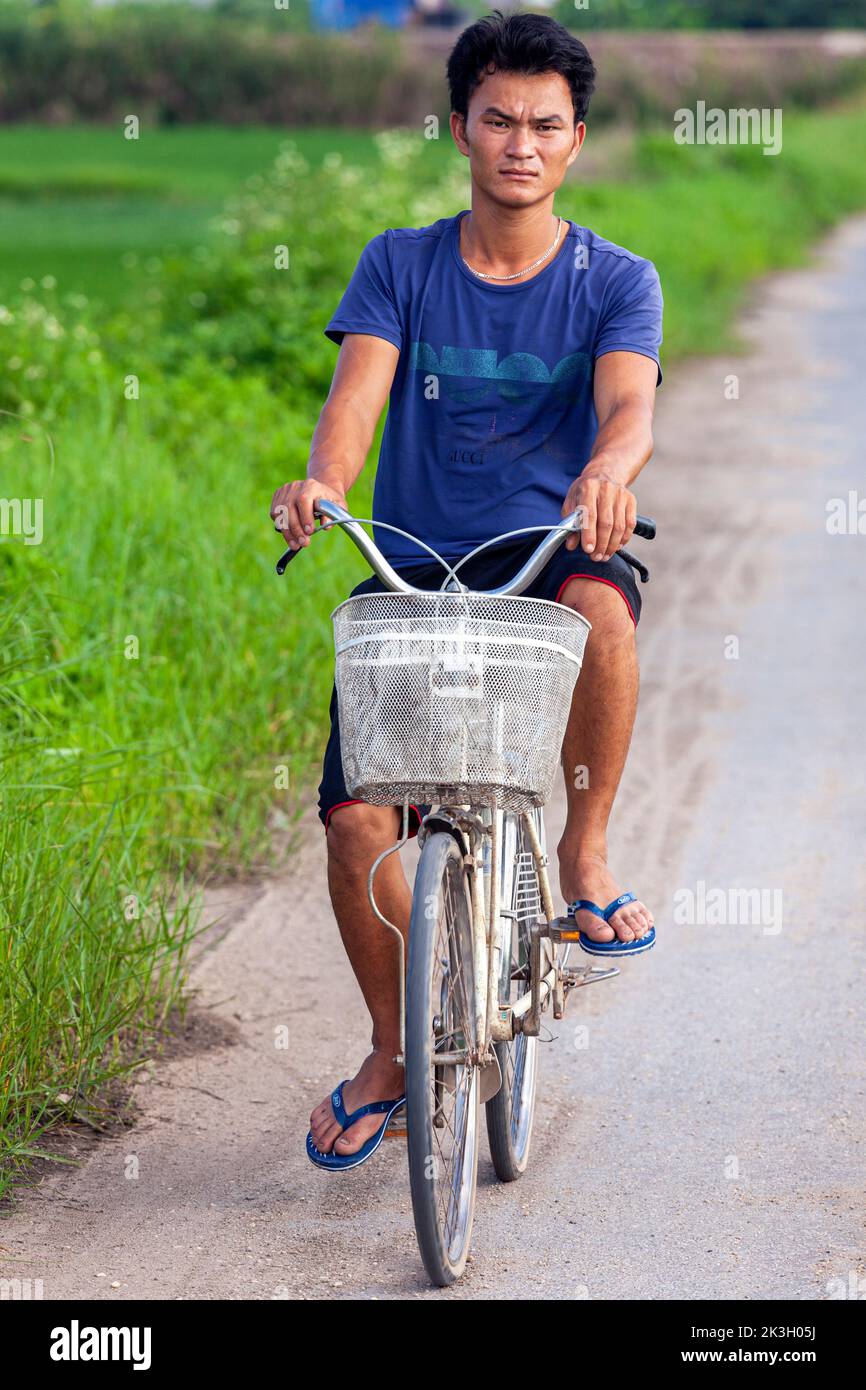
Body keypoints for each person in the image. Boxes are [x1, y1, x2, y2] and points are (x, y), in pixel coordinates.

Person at [270, 9, 663, 1167]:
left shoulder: (614, 279)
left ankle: (584, 853)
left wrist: (604, 471)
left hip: (544, 551)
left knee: (603, 602)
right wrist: (322, 483)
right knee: (354, 826)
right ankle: (391, 1050)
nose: (520, 143)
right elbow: (354, 400)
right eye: (498, 118)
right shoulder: (400, 262)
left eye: (545, 124)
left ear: (575, 140)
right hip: (409, 563)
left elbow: (629, 406)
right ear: (460, 128)